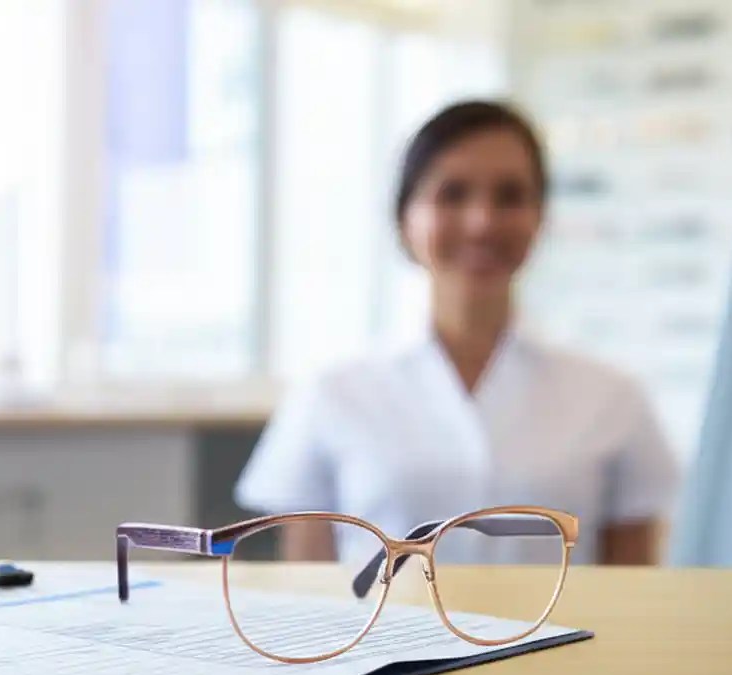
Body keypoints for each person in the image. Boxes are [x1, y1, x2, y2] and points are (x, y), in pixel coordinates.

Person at [235, 100, 680, 565]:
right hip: (382, 641)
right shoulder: (332, 392)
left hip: (565, 642)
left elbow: (632, 595)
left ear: (540, 218)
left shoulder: (612, 397)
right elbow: (310, 601)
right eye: (452, 194)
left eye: (510, 197)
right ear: (405, 218)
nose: (482, 222)